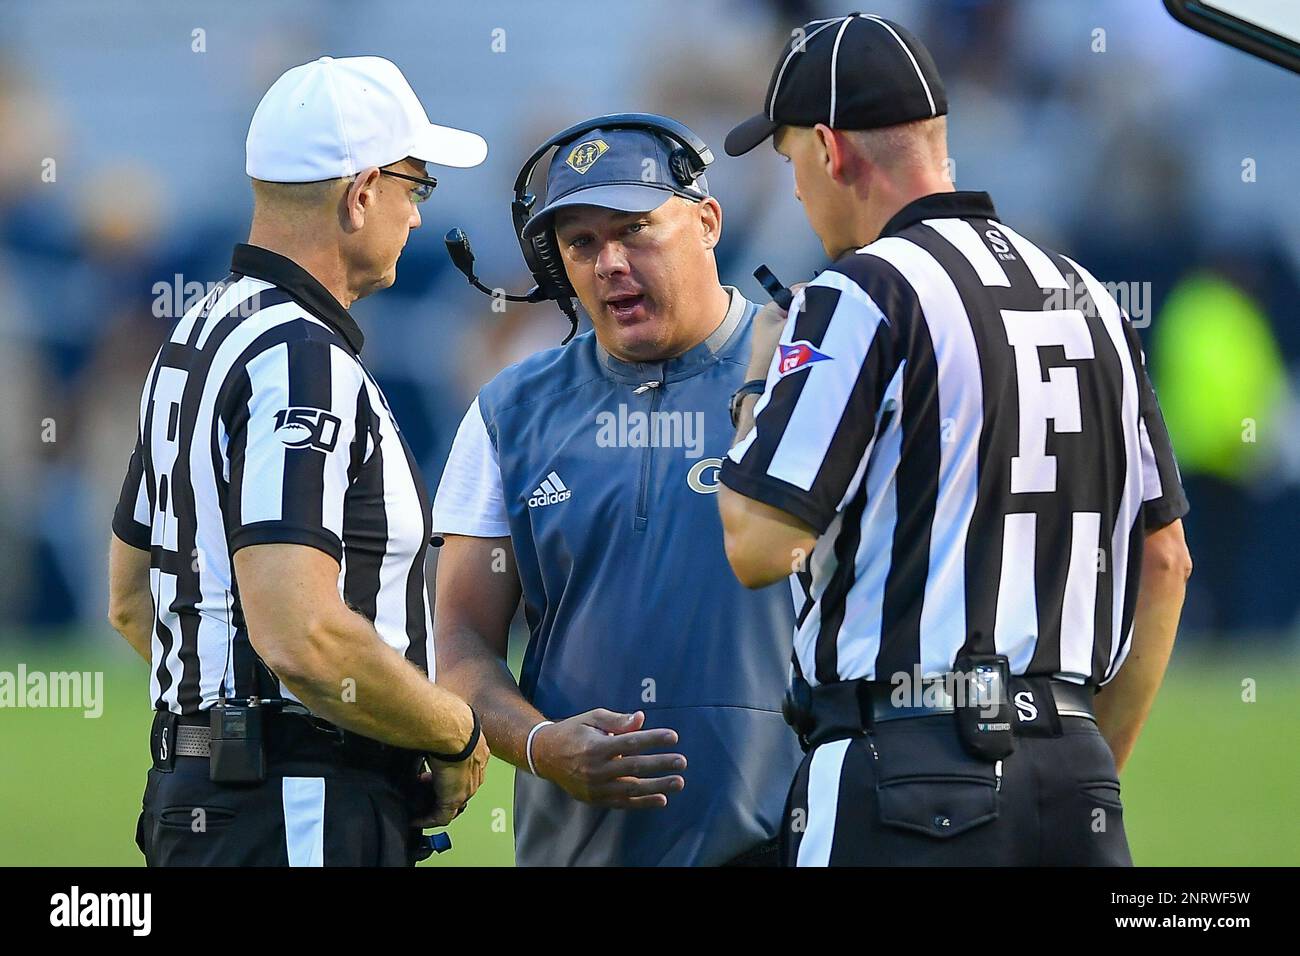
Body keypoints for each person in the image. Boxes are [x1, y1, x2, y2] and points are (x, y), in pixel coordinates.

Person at [717, 14, 1192, 866]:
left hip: (903, 773)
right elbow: (1165, 564)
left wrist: (759, 382)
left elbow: (759, 545)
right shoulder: (1087, 295)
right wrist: (1082, 771)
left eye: (789, 158)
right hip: (1075, 773)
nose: (794, 189)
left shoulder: (862, 291)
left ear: (831, 149)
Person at [106, 55, 490, 867]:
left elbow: (132, 600)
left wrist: (220, 724)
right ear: (359, 195)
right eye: (414, 187)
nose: (417, 217)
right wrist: (451, 733)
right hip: (300, 803)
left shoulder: (195, 339)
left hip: (206, 797)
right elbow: (300, 633)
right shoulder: (297, 357)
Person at [431, 115, 801, 866]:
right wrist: (540, 744)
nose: (609, 262)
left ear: (707, 223)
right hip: (576, 851)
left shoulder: (804, 373)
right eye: (581, 243)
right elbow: (464, 644)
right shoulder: (510, 412)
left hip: (790, 844)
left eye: (635, 229)